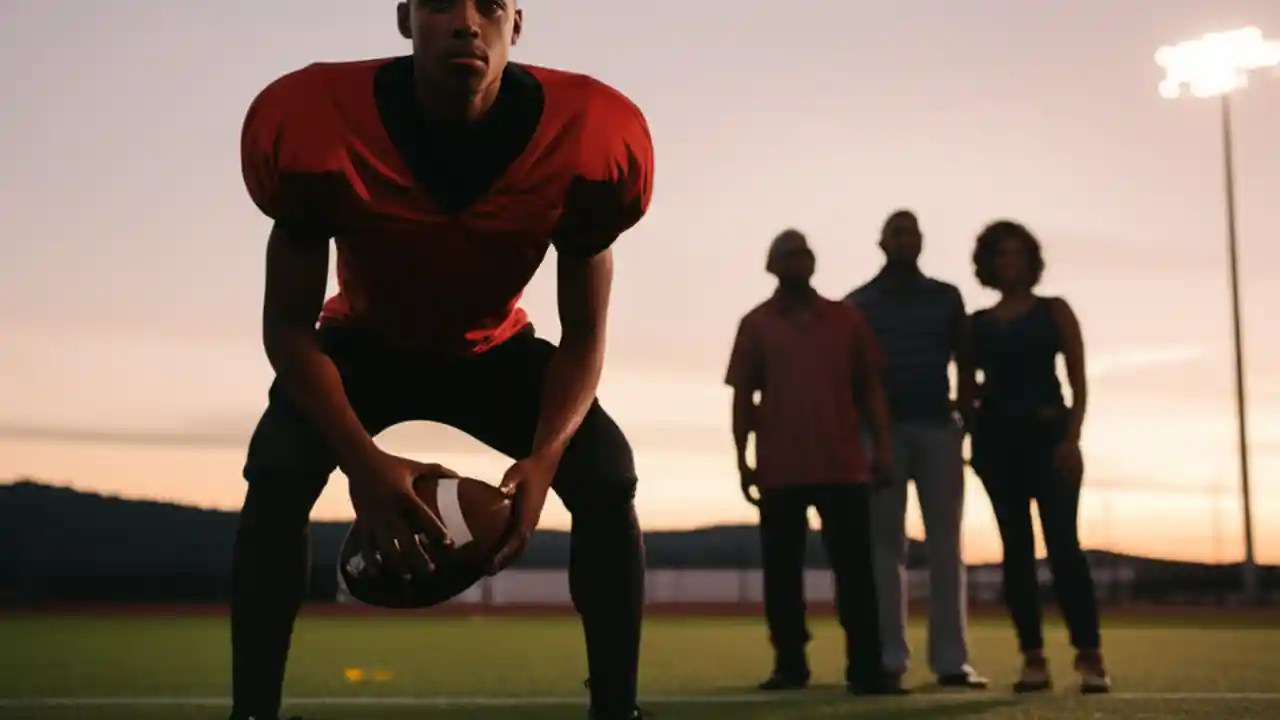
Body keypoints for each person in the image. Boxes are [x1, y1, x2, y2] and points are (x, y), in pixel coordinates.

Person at [229, 1, 654, 718]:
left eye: (489, 5)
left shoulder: (587, 137)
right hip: (364, 345)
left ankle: (617, 709)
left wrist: (546, 455)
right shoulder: (318, 120)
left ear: (516, 24)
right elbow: (286, 330)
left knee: (607, 475)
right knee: (276, 470)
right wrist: (365, 465)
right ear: (405, 18)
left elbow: (583, 334)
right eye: (440, 2)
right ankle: (253, 711)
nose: (466, 22)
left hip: (492, 349)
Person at [725, 229, 903, 696]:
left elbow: (870, 388)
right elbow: (743, 395)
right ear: (771, 266)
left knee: (856, 571)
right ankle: (790, 664)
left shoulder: (846, 320)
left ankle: (866, 667)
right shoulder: (757, 324)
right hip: (780, 467)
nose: (796, 260)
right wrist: (742, 458)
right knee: (781, 572)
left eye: (803, 252)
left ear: (814, 261)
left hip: (843, 465)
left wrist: (882, 447)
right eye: (786, 254)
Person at [963, 220, 1111, 695]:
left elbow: (1078, 381)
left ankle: (1089, 657)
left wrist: (1071, 437)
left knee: (1064, 548)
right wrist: (973, 428)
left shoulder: (1054, 312)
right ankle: (1033, 658)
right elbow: (965, 389)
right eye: (1000, 254)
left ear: (1031, 260)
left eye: (1018, 253)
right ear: (987, 263)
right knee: (1017, 553)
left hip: (1050, 441)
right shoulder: (977, 325)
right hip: (996, 448)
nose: (1010, 262)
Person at [845, 210, 988, 689]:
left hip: (937, 430)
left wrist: (964, 422)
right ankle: (890, 658)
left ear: (922, 243)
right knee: (885, 548)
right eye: (897, 232)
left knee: (947, 545)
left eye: (913, 233)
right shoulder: (859, 304)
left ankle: (951, 660)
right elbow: (853, 378)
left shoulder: (946, 298)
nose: (905, 240)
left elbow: (966, 363)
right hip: (879, 435)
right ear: (882, 242)